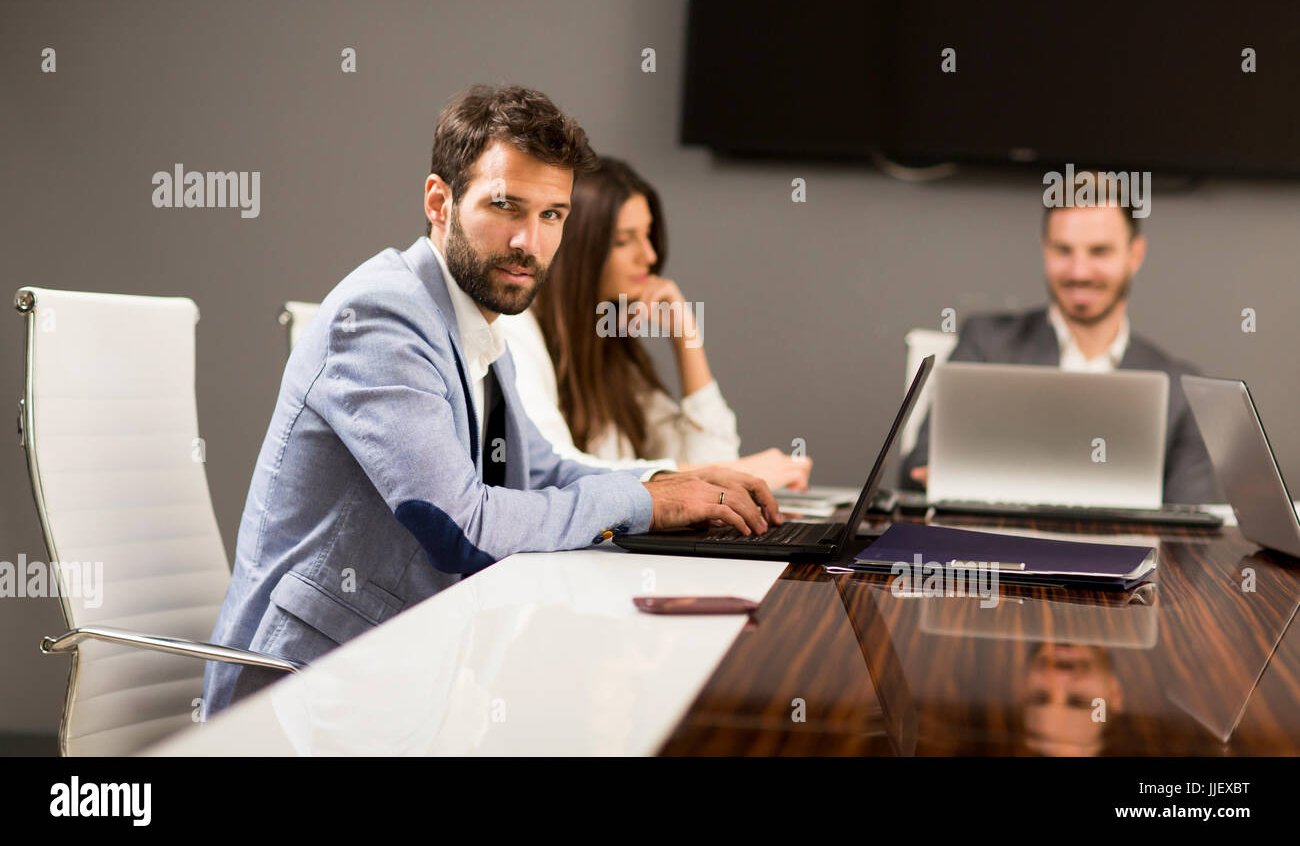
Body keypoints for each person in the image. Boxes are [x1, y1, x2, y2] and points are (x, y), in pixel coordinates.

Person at [203, 86, 780, 716]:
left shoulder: (475, 323)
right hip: (301, 696)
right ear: (439, 202)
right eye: (506, 207)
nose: (530, 244)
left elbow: (544, 470)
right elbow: (461, 527)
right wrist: (645, 501)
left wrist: (673, 485)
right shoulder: (381, 317)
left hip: (408, 681)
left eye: (553, 215)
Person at [902, 170, 1221, 504]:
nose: (1079, 272)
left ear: (1135, 255)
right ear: (1045, 250)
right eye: (1063, 250)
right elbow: (915, 473)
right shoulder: (984, 344)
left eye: (1099, 252)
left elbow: (1190, 528)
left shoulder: (1180, 390)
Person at [498, 156, 811, 491]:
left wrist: (685, 337)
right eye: (624, 240)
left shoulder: (609, 349)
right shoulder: (514, 332)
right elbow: (554, 472)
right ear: (575, 252)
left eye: (647, 235)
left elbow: (714, 456)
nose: (648, 255)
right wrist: (734, 475)